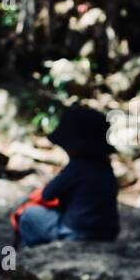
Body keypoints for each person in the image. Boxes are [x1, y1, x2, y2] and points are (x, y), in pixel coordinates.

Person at [12, 105, 120, 246]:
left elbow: (47, 194)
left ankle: (33, 255)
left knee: (28, 215)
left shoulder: (77, 167)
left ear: (75, 146)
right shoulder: (105, 167)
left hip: (76, 232)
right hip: (107, 234)